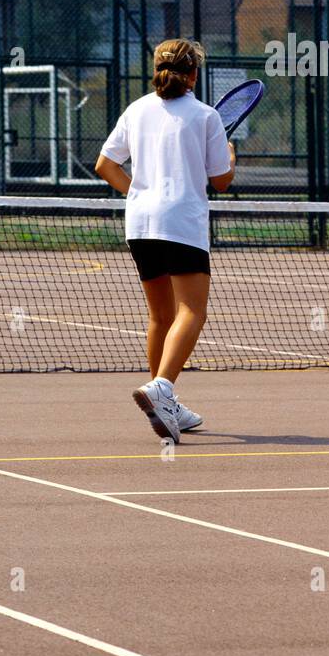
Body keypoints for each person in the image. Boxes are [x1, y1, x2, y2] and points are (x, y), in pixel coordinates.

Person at [96, 40, 235, 442]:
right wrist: (230, 154)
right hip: (181, 224)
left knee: (160, 316)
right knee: (192, 312)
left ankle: (165, 399)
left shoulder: (136, 109)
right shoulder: (205, 117)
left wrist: (141, 196)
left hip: (141, 224)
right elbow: (222, 180)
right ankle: (162, 388)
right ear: (193, 74)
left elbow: (106, 165)